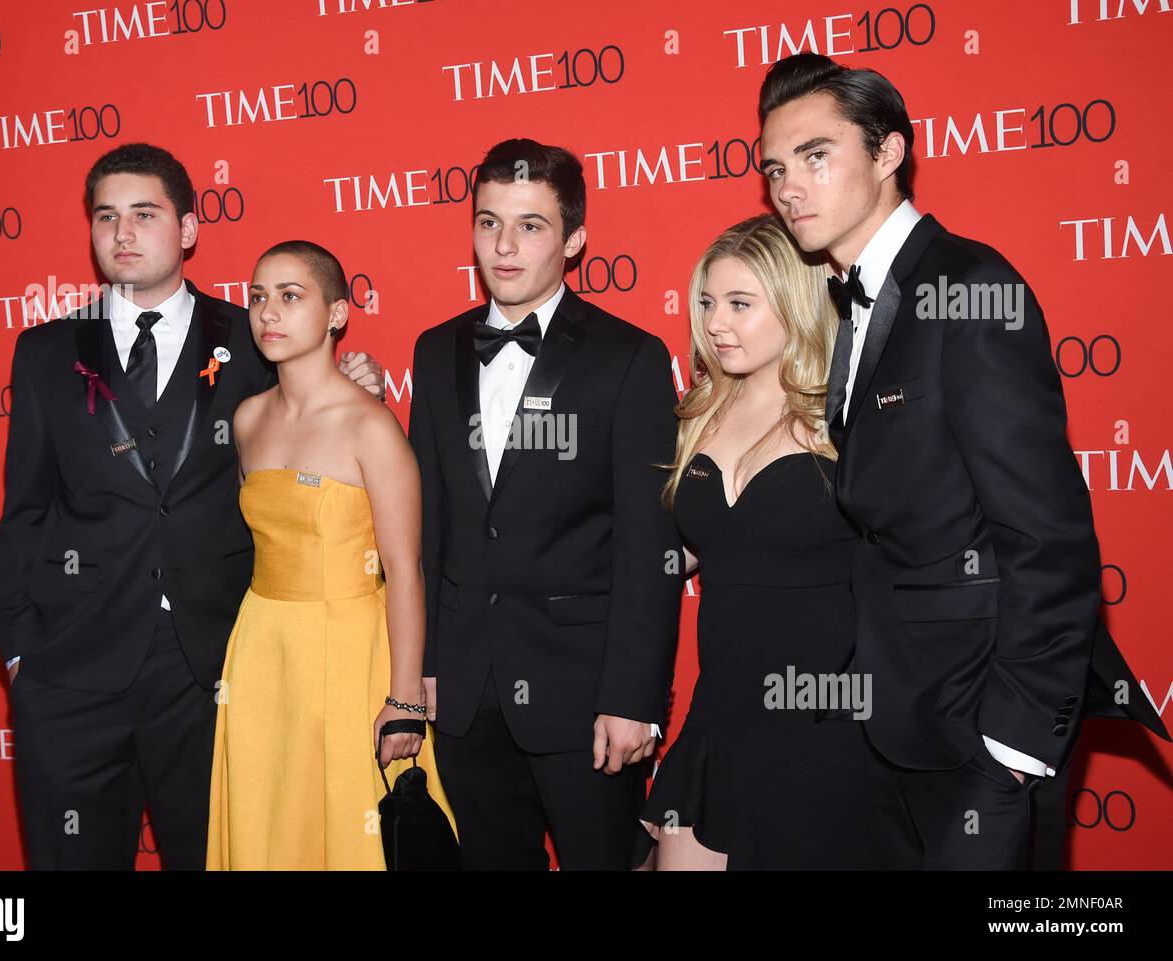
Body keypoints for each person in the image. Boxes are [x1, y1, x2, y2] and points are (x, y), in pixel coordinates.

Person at [756, 53, 1169, 869]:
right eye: (773, 167)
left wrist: (1015, 744)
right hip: (896, 723)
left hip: (982, 730)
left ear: (888, 153)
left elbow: (1048, 537)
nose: (788, 187)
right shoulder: (859, 302)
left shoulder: (970, 290)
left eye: (815, 155)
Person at [0, 143, 384, 870]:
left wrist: (362, 377)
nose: (123, 233)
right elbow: (25, 510)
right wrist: (19, 652)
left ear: (190, 227)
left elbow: (324, 424)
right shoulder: (46, 351)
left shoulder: (254, 334)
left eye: (144, 214)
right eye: (106, 217)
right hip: (70, 670)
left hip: (213, 669)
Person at [408, 138, 683, 869]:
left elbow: (647, 544)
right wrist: (425, 665)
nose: (503, 245)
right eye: (488, 221)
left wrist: (635, 698)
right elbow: (430, 525)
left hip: (585, 694)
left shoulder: (630, 357)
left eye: (530, 225)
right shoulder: (435, 352)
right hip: (465, 691)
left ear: (575, 238)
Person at [205, 241, 454, 869]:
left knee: (349, 829)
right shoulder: (247, 419)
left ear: (338, 313)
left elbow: (405, 572)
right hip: (262, 650)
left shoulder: (370, 425)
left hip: (351, 650)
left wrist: (404, 700)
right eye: (258, 297)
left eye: (291, 297)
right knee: (272, 824)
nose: (269, 313)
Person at [636, 216, 870, 870]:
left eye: (740, 304)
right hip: (722, 711)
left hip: (829, 720)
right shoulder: (697, 413)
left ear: (795, 305)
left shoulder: (845, 419)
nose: (716, 323)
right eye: (708, 303)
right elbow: (682, 550)